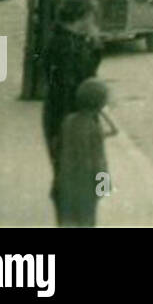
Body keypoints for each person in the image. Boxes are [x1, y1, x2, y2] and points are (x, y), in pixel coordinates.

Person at [42, 0, 102, 162]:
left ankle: (103, 189)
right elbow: (84, 79)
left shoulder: (67, 40)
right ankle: (103, 189)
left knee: (71, 174)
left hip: (68, 118)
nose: (92, 21)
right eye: (91, 15)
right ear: (81, 16)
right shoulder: (67, 47)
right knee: (88, 169)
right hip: (72, 120)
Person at [51, 78, 116, 227]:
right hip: (86, 185)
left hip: (66, 182)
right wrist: (104, 187)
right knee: (86, 222)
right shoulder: (95, 129)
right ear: (100, 104)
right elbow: (100, 159)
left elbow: (57, 146)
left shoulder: (68, 121)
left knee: (67, 221)